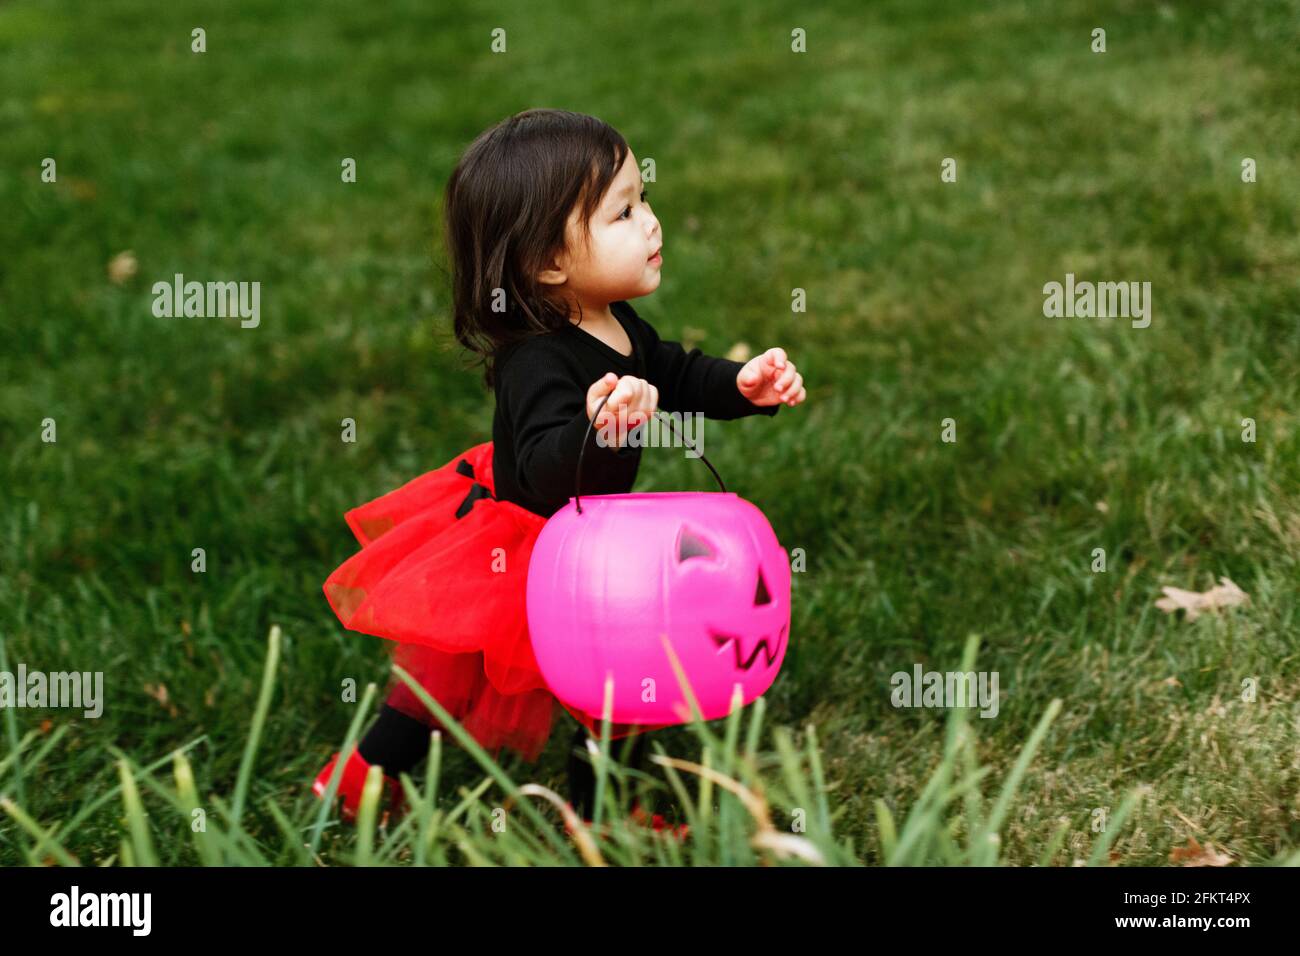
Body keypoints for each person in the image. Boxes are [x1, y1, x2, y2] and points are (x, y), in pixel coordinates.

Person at [312, 108, 806, 836]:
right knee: (436, 690)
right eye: (625, 212)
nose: (652, 223)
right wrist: (598, 427)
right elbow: (546, 464)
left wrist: (739, 385)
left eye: (644, 200)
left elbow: (673, 371)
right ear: (548, 262)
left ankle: (600, 811)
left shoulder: (616, 323)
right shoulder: (535, 358)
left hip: (592, 548)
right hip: (522, 549)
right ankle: (359, 782)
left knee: (618, 689)